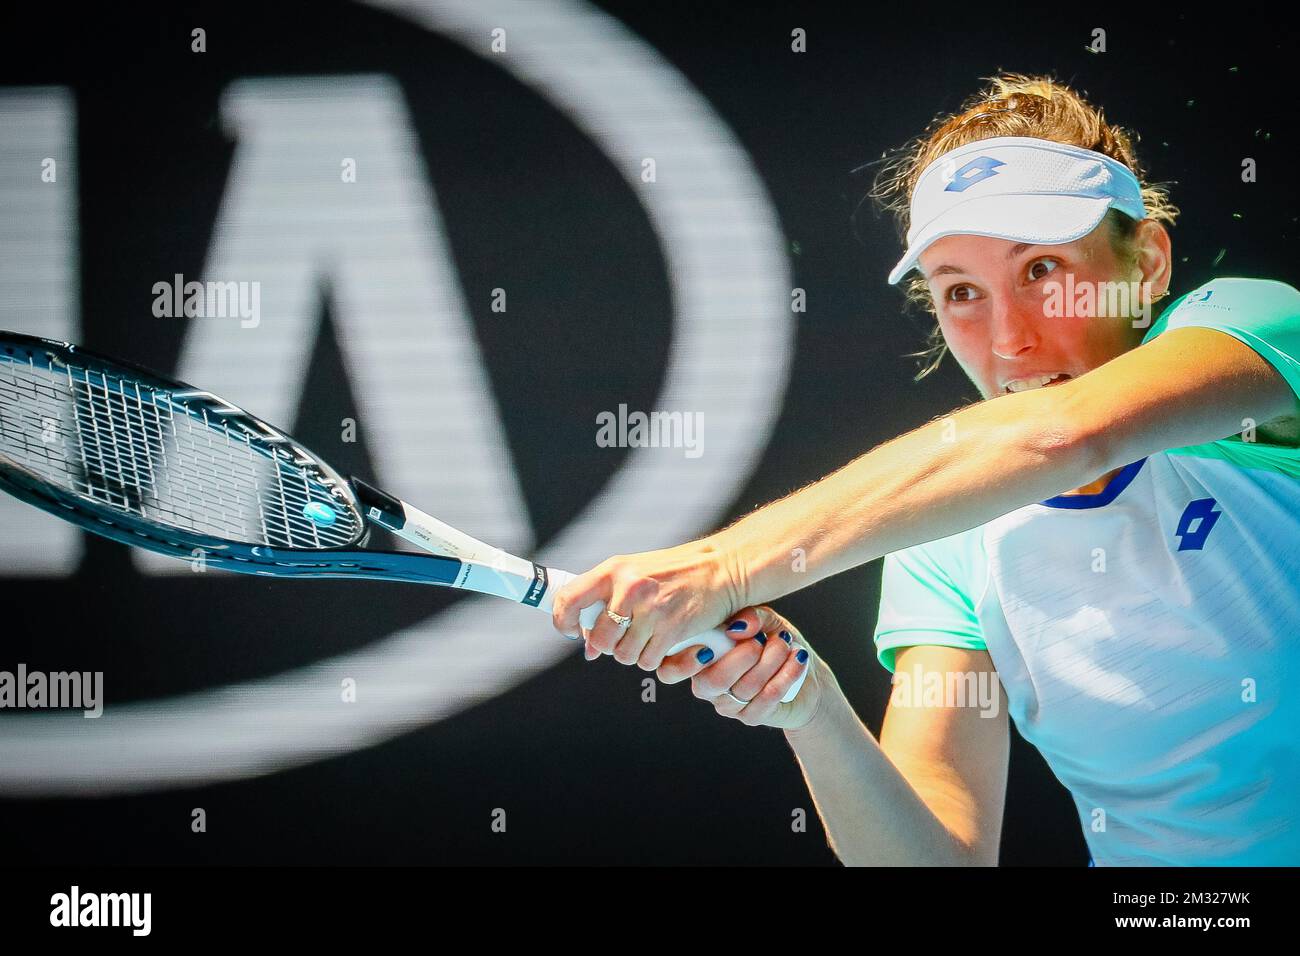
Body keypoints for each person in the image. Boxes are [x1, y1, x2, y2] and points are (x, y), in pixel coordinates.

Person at [552, 74, 1300, 866]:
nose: (1008, 336)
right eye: (961, 291)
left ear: (1147, 262)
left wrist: (726, 565)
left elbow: (1061, 436)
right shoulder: (947, 542)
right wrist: (810, 709)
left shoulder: (1255, 324)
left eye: (1042, 270)